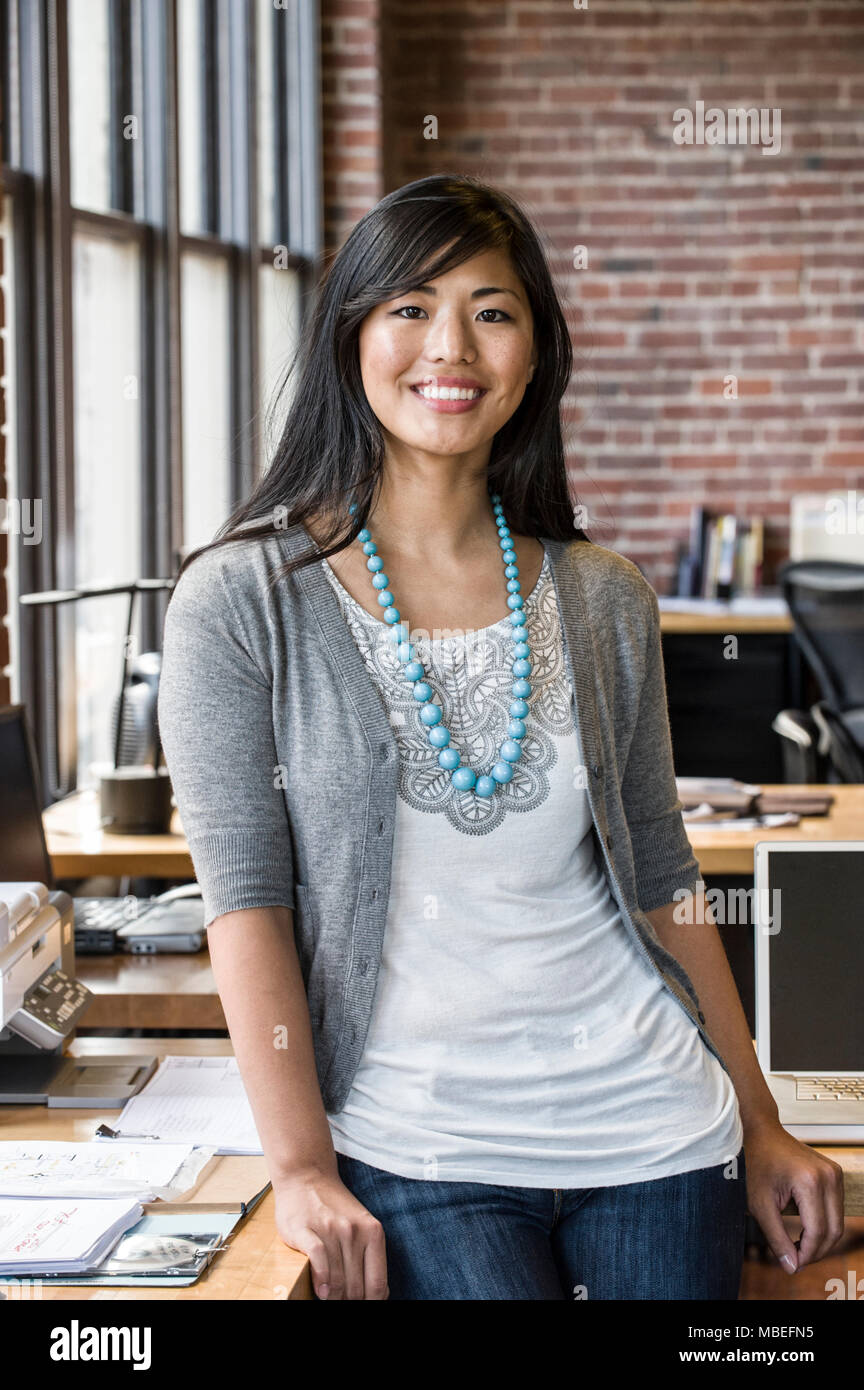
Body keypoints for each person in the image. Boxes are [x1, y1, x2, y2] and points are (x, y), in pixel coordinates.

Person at [157, 173, 844, 1301]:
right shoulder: (241, 601)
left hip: (656, 1127)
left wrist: (761, 1121)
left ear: (533, 357)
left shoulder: (601, 594)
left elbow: (668, 879)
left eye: (492, 310)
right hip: (417, 1144)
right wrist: (300, 1165)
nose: (451, 346)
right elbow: (247, 904)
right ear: (352, 338)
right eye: (411, 307)